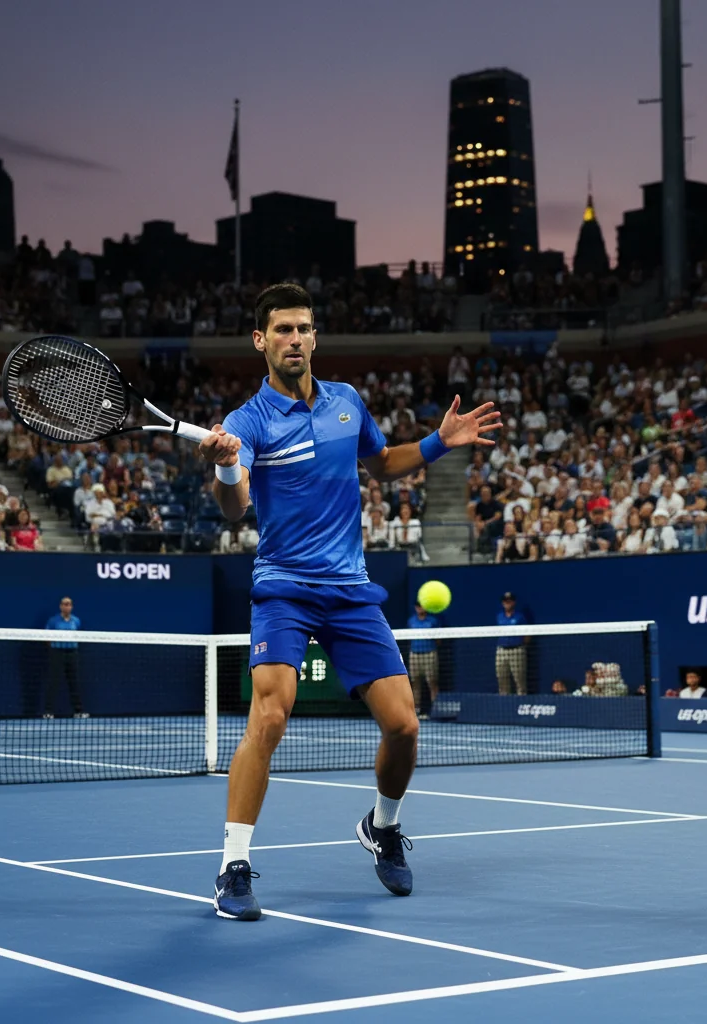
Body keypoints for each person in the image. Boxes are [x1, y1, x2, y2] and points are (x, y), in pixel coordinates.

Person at [198, 283, 500, 920]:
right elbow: (235, 507)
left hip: (350, 589)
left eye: (304, 328)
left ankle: (381, 825)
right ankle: (232, 867)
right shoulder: (247, 423)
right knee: (271, 716)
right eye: (283, 330)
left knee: (404, 726)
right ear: (261, 340)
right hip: (284, 587)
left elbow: (381, 462)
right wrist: (227, 465)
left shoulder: (345, 402)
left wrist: (439, 441)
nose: (296, 340)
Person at [43, 597, 88, 719]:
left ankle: (78, 711)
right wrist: (53, 648)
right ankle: (48, 711)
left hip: (72, 653)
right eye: (64, 604)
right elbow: (46, 636)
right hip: (57, 653)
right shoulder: (53, 621)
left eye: (69, 604)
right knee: (53, 682)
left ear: (71, 606)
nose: (66, 606)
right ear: (60, 606)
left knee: (74, 682)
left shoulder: (76, 621)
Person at [405, 603, 440, 719]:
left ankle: (435, 710)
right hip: (414, 654)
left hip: (429, 654)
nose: (420, 608)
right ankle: (416, 711)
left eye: (422, 606)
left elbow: (439, 640)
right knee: (415, 683)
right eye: (417, 606)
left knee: (432, 682)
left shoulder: (433, 621)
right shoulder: (411, 621)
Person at [495, 591, 528, 695]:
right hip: (502, 651)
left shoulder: (520, 617)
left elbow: (528, 634)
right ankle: (504, 705)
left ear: (514, 602)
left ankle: (522, 704)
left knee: (519, 680)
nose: (507, 603)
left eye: (510, 601)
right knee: (502, 678)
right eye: (505, 601)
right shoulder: (499, 616)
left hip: (516, 650)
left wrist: (521, 645)